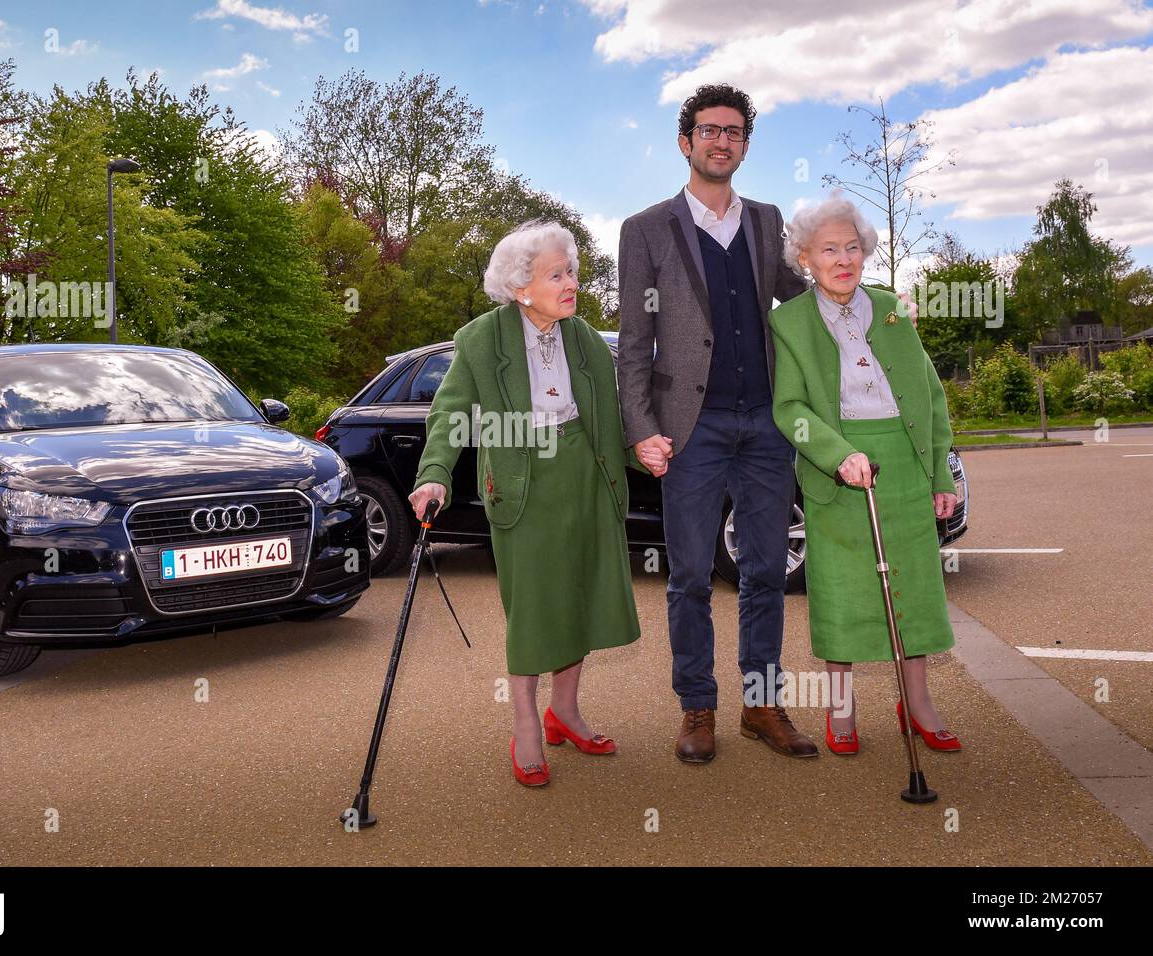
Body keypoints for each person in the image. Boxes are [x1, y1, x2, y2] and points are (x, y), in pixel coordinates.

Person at [617, 83, 818, 762]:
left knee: (765, 573)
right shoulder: (645, 229)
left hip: (765, 425)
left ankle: (761, 706)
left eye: (734, 132)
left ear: (745, 145)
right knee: (691, 578)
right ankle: (697, 709)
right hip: (689, 429)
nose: (721, 141)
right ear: (686, 141)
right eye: (709, 131)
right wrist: (641, 426)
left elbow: (805, 307)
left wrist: (865, 301)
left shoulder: (766, 221)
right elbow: (634, 339)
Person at [408, 220, 647, 787]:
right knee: (535, 606)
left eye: (573, 272)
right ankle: (525, 725)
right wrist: (435, 473)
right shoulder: (480, 340)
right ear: (521, 287)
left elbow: (609, 418)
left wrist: (644, 450)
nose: (572, 283)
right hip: (522, 479)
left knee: (581, 597)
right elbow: (450, 413)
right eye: (557, 275)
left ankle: (564, 712)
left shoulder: (585, 338)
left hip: (586, 477)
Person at [769, 193, 962, 755]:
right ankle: (841, 706)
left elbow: (929, 395)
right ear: (805, 257)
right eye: (829, 248)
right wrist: (836, 453)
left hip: (903, 462)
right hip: (839, 469)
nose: (843, 258)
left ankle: (917, 702)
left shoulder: (894, 310)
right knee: (842, 591)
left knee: (915, 588)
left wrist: (940, 477)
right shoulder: (787, 323)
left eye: (852, 246)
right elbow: (789, 410)